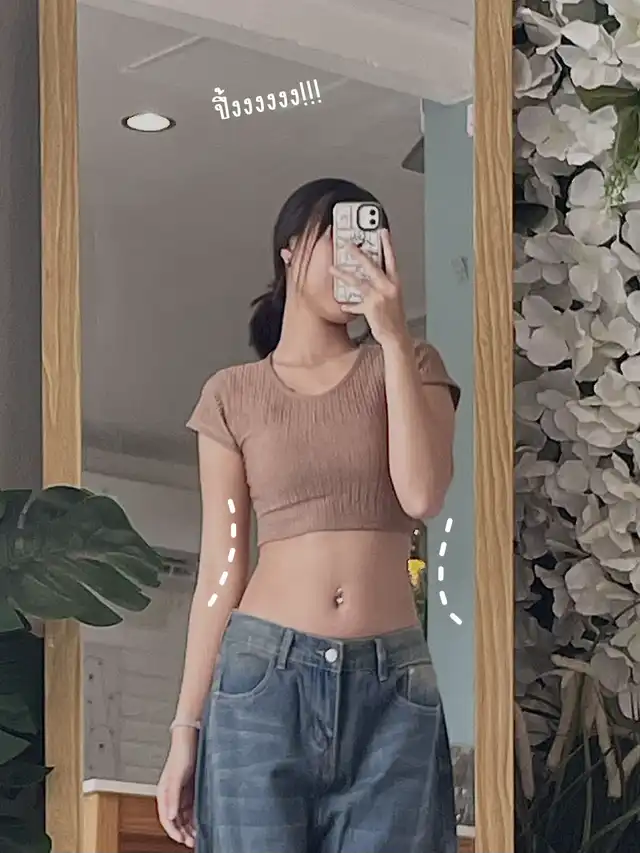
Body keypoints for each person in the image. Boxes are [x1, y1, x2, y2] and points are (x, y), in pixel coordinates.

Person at [156, 177, 460, 853]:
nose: (355, 259)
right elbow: (221, 571)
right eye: (338, 240)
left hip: (392, 686)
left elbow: (422, 496)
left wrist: (391, 333)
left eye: (369, 243)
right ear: (290, 250)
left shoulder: (411, 365)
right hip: (263, 678)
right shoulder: (232, 395)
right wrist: (185, 730)